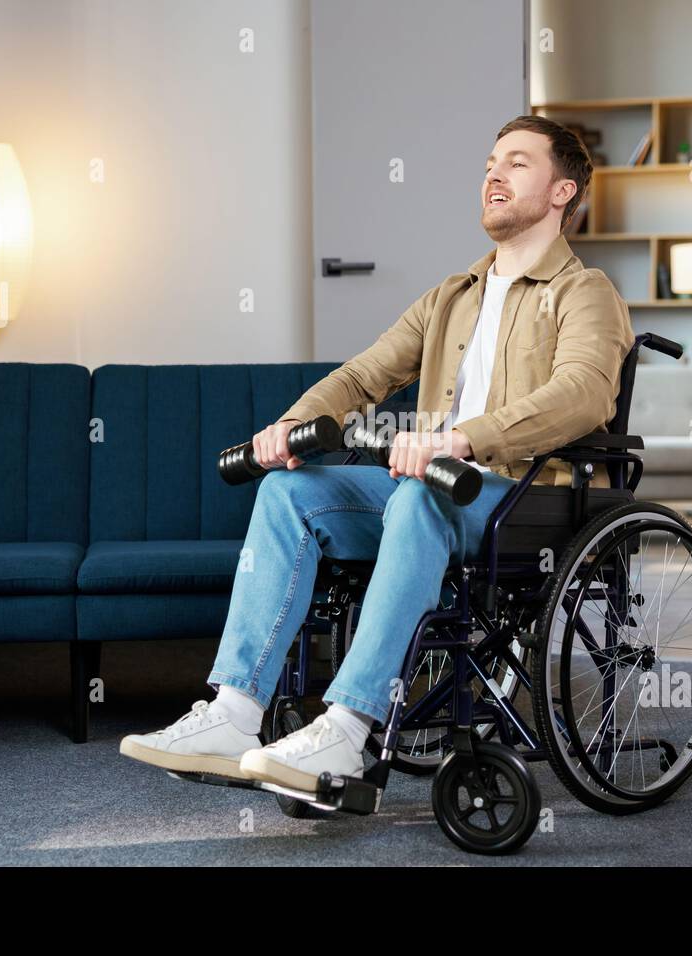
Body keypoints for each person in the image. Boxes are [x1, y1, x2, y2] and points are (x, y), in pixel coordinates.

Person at [120, 115, 634, 792]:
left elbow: (583, 394)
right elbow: (363, 376)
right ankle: (235, 711)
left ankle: (344, 730)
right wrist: (295, 422)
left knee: (422, 492)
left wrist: (462, 440)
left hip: (521, 497)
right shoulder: (452, 296)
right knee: (289, 493)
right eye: (488, 163)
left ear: (563, 191)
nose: (493, 175)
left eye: (516, 163)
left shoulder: (584, 292)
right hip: (435, 490)